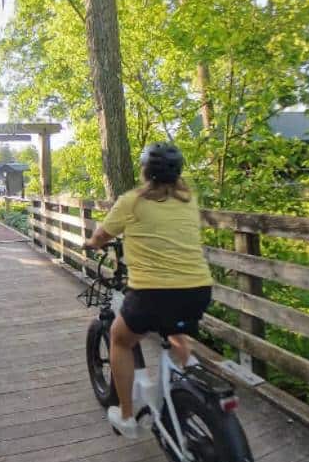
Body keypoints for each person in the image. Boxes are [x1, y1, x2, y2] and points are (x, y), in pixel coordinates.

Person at [83, 143, 213, 438]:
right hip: (198, 291)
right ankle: (189, 379)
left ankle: (127, 415)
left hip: (152, 295)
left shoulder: (131, 201)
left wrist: (92, 244)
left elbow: (103, 234)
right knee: (175, 330)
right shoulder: (189, 199)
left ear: (145, 171)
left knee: (119, 338)